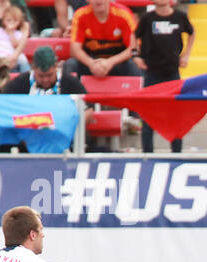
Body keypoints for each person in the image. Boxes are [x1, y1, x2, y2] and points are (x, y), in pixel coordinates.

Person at [133, 0, 194, 154]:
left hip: (172, 73)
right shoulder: (147, 18)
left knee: (175, 116)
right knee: (148, 117)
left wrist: (186, 55)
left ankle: (177, 154)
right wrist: (135, 55)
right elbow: (133, 35)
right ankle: (147, 154)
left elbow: (192, 33)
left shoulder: (180, 16)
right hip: (151, 73)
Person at [64, 0, 138, 79]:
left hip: (118, 61)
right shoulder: (80, 15)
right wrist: (91, 63)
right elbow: (74, 50)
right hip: (91, 61)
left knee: (135, 65)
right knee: (69, 66)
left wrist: (110, 62)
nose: (98, 0)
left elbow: (134, 49)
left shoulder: (123, 14)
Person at [2, 43, 87, 93]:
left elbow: (88, 109)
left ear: (56, 67)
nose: (45, 80)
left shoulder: (70, 83)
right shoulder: (19, 84)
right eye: (41, 76)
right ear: (33, 68)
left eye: (49, 75)